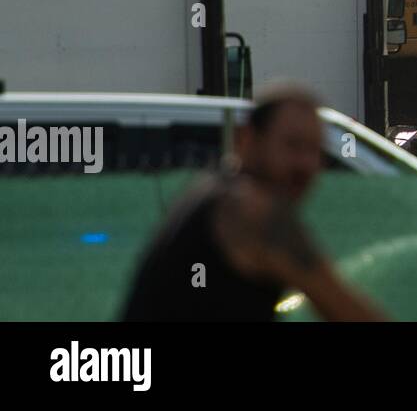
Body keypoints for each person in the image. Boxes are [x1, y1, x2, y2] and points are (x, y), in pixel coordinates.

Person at [120, 82, 386, 321]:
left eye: (315, 150)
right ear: (247, 140)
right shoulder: (252, 209)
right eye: (292, 145)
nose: (306, 164)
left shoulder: (213, 191)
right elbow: (342, 307)